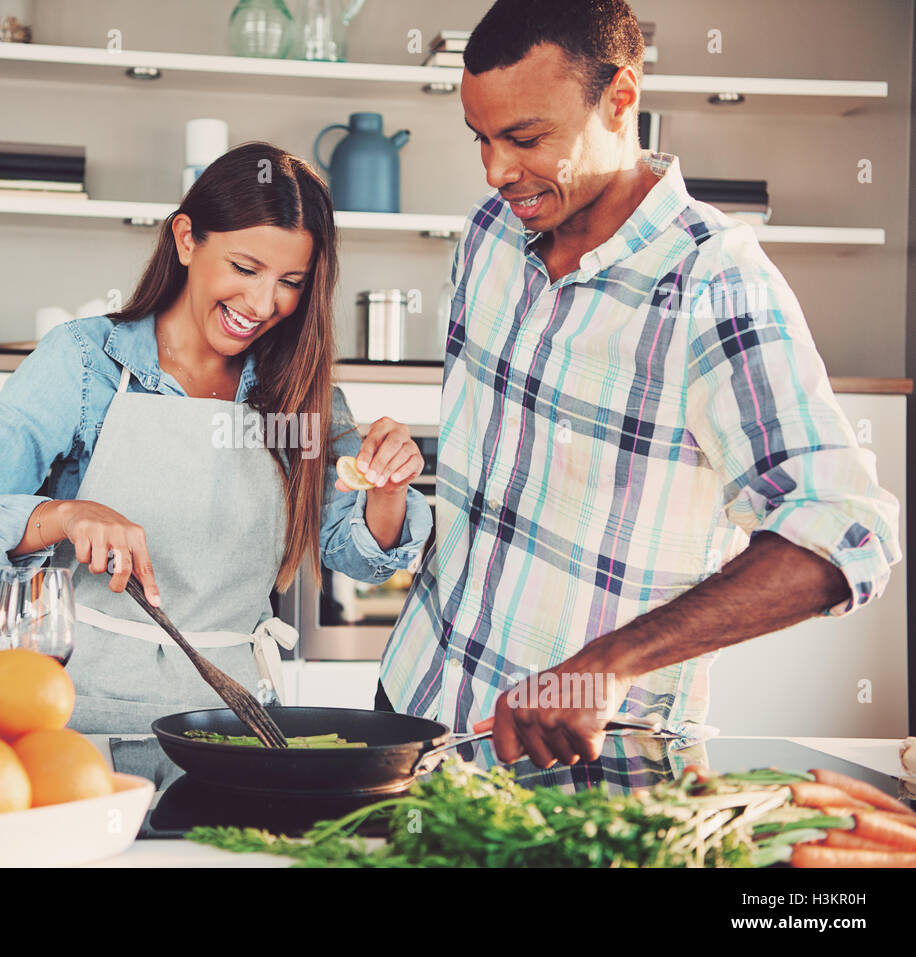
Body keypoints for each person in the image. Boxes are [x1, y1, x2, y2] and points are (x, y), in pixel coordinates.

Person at [378, 0, 900, 769]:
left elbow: (846, 530)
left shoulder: (714, 283)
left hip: (580, 778)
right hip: (414, 716)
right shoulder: (491, 234)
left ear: (621, 99)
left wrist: (610, 662)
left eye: (526, 138)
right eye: (482, 139)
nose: (495, 171)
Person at [0, 142, 432, 733]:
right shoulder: (86, 361)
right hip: (75, 712)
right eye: (244, 268)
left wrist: (389, 489)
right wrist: (66, 515)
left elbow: (357, 559)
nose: (263, 304)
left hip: (235, 718)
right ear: (186, 238)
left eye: (290, 281)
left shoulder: (301, 390)